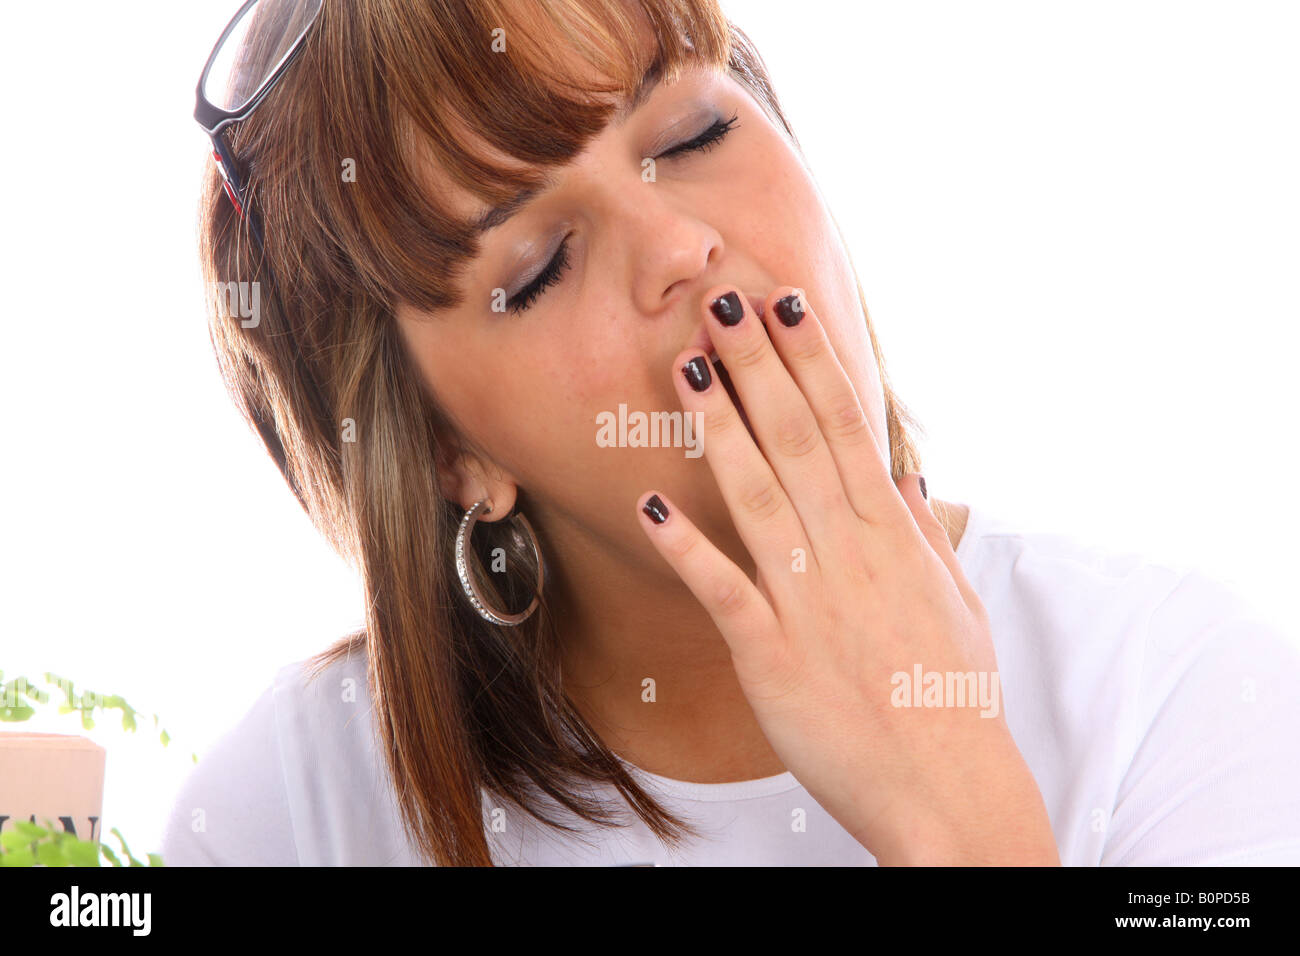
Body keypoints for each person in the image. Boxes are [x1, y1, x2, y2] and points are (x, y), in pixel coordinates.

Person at [162, 0, 1300, 866]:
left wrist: (951, 802)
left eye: (697, 131)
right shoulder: (287, 805)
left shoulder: (1182, 682)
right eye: (542, 266)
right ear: (452, 451)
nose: (676, 247)